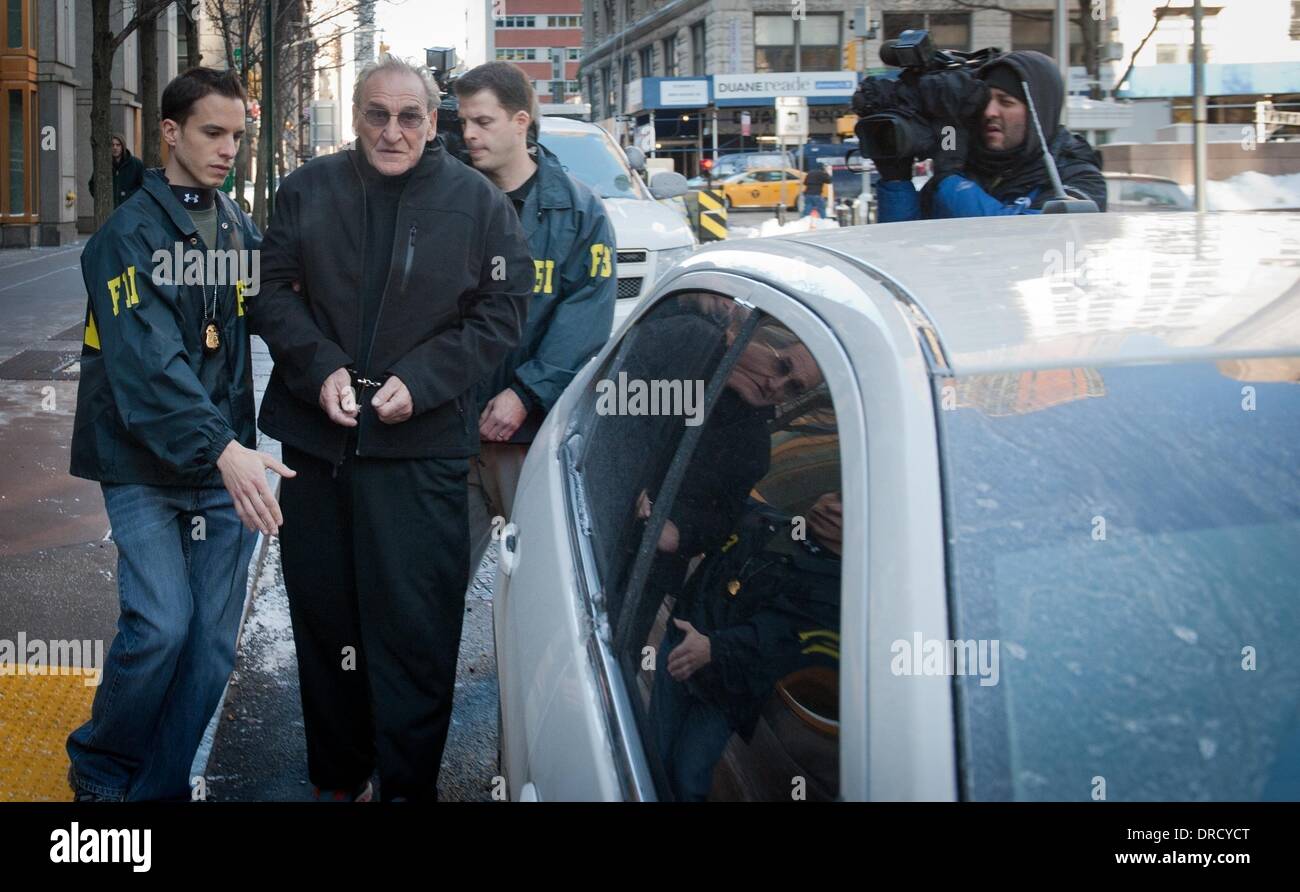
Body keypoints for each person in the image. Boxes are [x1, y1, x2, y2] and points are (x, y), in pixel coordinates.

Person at [249, 54, 534, 802]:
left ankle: (407, 788)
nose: (393, 130)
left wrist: (428, 380)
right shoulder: (306, 189)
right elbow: (270, 294)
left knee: (414, 633)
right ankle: (340, 781)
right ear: (354, 116)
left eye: (410, 116)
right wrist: (322, 369)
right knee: (326, 623)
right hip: (320, 449)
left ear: (431, 120)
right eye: (377, 114)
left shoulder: (478, 204)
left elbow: (502, 313)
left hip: (422, 453)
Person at [66, 68, 284, 802]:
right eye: (212, 133)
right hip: (139, 459)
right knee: (160, 625)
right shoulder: (124, 238)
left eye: (236, 137)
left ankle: (157, 790)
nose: (228, 150)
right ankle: (101, 768)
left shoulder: (236, 225)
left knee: (212, 646)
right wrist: (228, 450)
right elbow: (149, 367)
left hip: (221, 456)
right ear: (170, 132)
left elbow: (280, 313)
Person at [453, 61, 616, 576]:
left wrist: (526, 393)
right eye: (463, 123)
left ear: (521, 121)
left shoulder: (579, 212)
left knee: (538, 581)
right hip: (447, 427)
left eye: (483, 122)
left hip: (526, 437)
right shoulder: (447, 198)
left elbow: (586, 315)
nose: (469, 135)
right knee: (432, 580)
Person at [650, 491, 843, 801]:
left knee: (689, 774)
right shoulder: (768, 520)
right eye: (835, 494)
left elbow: (783, 636)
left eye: (849, 509)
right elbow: (710, 515)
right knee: (654, 752)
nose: (832, 508)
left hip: (730, 689)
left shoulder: (835, 592)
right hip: (681, 647)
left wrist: (716, 647)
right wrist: (667, 520)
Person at [874, 50, 1106, 222]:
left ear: (1041, 111)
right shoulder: (968, 168)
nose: (989, 112)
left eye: (1006, 102)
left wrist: (949, 179)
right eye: (985, 101)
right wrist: (896, 180)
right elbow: (903, 246)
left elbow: (1022, 235)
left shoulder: (1077, 177)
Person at [89, 133, 146, 209]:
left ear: (123, 146)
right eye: (112, 145)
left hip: (130, 209)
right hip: (109, 210)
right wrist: (103, 198)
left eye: (118, 145)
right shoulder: (104, 165)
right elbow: (92, 185)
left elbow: (143, 186)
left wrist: (130, 197)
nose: (115, 148)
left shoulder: (136, 164)